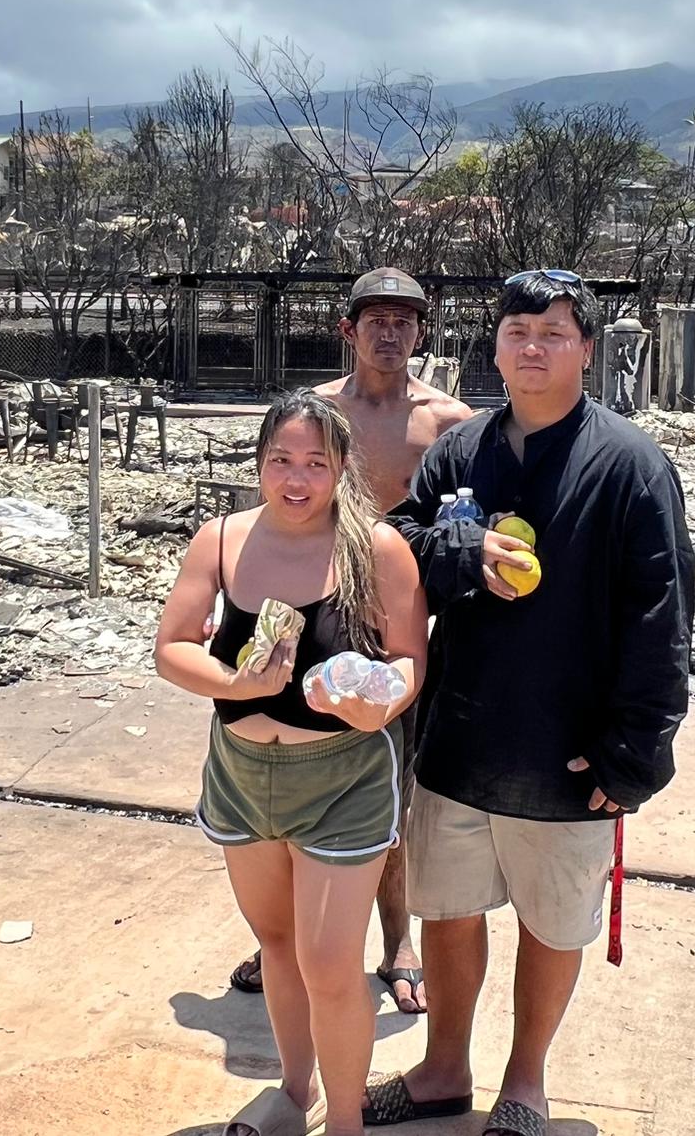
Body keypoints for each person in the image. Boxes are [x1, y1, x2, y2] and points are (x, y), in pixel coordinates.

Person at [364, 271, 693, 1135]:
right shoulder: (461, 451)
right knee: (448, 909)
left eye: (553, 332)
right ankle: (442, 1070)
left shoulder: (630, 466)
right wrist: (461, 551)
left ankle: (525, 1085)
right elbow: (398, 543)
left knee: (553, 921)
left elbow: (661, 618)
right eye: (518, 331)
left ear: (587, 349)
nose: (533, 347)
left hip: (569, 746)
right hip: (460, 734)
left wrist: (635, 753)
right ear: (497, 348)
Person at [156, 390, 429, 1136]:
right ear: (259, 464)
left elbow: (409, 661)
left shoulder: (376, 547)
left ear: (341, 469)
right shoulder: (221, 539)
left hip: (344, 779)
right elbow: (173, 647)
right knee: (278, 947)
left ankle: (345, 1122)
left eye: (315, 463)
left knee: (330, 964)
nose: (296, 479)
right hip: (242, 776)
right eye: (281, 460)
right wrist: (235, 684)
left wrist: (376, 707)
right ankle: (294, 1090)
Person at [229, 268, 472, 1015]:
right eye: (376, 320)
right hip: (308, 620)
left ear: (421, 331)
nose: (390, 333)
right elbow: (273, 504)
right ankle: (286, 939)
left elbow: (470, 527)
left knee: (389, 790)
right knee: (284, 782)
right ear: (349, 330)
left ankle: (397, 941)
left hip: (395, 632)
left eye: (404, 320)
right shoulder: (315, 416)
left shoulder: (450, 423)